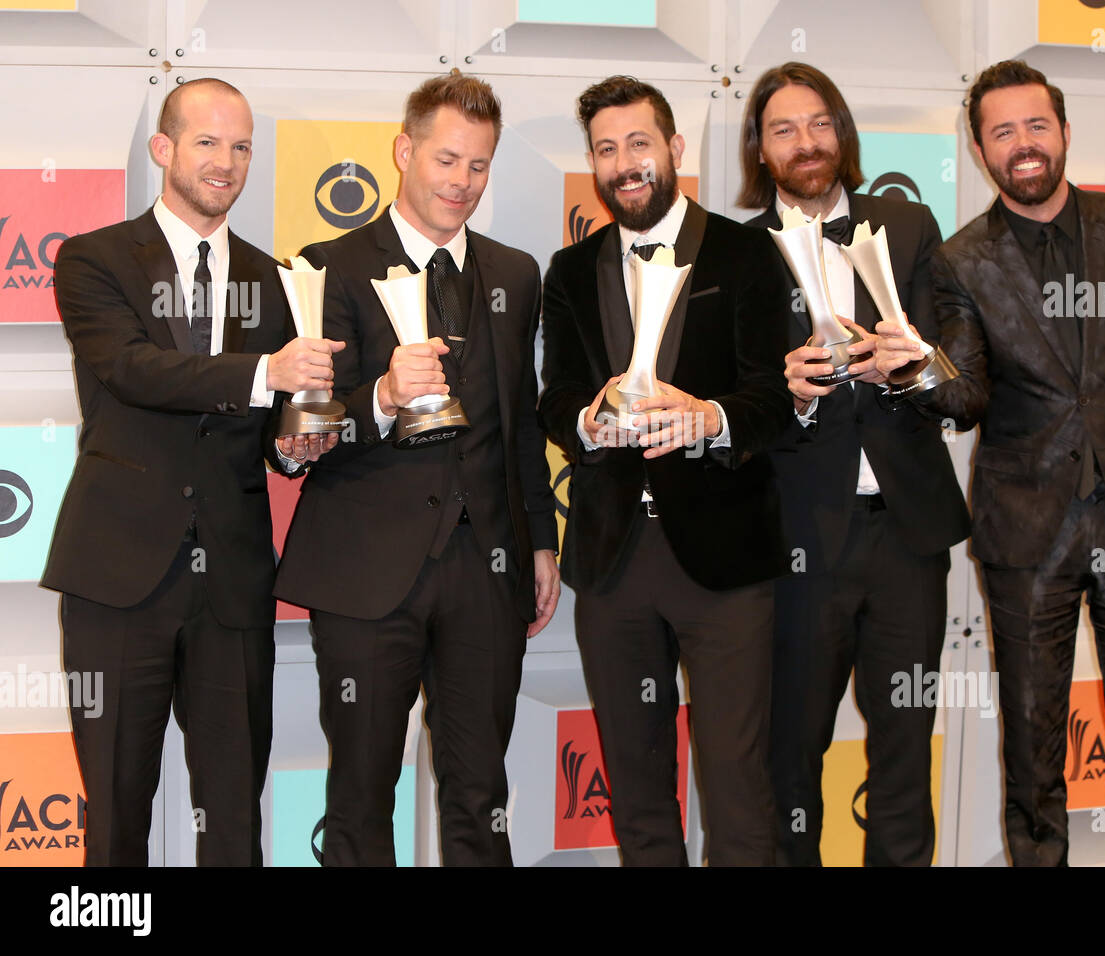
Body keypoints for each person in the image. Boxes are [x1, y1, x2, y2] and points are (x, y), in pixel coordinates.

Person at [878, 59, 1105, 866]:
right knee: (1032, 757)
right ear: (981, 150)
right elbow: (968, 399)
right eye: (1002, 132)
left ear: (1062, 131)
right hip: (1027, 536)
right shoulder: (962, 262)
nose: (1022, 145)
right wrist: (916, 369)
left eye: (1035, 126)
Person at [42, 77, 342, 865]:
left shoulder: (277, 279)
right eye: (208, 142)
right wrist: (263, 374)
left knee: (235, 817)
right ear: (163, 149)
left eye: (242, 146)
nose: (227, 162)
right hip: (117, 576)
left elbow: (274, 431)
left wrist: (292, 448)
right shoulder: (93, 259)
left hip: (233, 585)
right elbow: (133, 370)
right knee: (113, 819)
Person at [273, 74, 560, 866]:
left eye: (478, 165)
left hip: (486, 567)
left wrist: (539, 538)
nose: (461, 182)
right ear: (404, 152)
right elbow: (299, 431)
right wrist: (383, 398)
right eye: (446, 159)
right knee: (361, 796)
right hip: (367, 574)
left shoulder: (514, 274)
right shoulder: (326, 267)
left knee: (480, 794)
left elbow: (521, 421)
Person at [538, 75, 791, 866]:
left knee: (737, 789)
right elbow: (555, 400)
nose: (625, 164)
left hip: (726, 563)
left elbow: (775, 399)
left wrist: (707, 416)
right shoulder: (570, 270)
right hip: (612, 563)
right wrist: (588, 418)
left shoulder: (748, 253)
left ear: (675, 148)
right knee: (638, 792)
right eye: (607, 150)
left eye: (639, 143)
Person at [738, 62, 970, 866]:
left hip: (908, 536)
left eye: (819, 123)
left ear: (842, 131)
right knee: (790, 755)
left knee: (906, 751)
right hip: (797, 544)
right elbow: (726, 416)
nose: (806, 142)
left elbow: (960, 383)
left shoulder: (908, 227)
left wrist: (913, 366)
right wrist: (791, 395)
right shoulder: (732, 251)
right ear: (760, 151)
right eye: (784, 129)